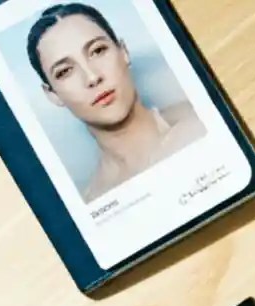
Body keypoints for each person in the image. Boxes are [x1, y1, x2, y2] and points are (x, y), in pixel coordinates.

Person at [27, 3, 205, 202]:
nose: (92, 77)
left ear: (124, 51)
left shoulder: (203, 122)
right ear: (53, 95)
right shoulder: (91, 202)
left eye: (97, 50)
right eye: (65, 71)